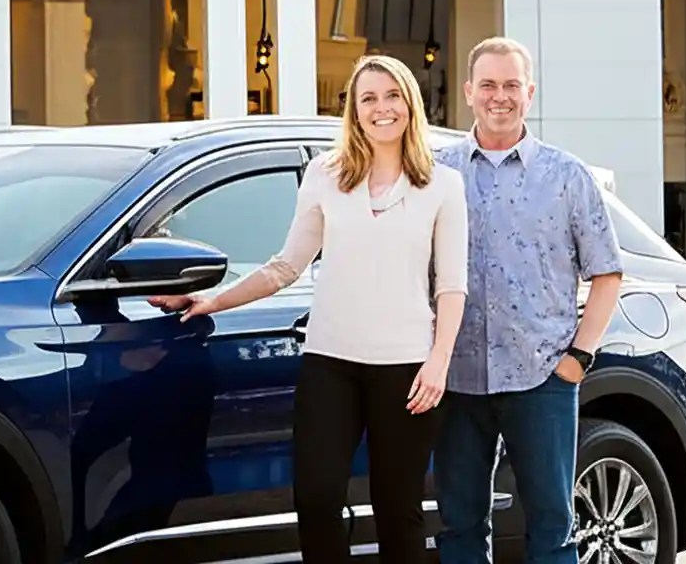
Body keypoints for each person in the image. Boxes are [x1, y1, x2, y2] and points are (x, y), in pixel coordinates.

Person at [149, 54, 469, 563]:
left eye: (391, 96)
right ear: (354, 110)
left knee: (397, 507)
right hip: (331, 363)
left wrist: (439, 361)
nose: (381, 108)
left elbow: (452, 285)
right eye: (368, 98)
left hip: (407, 368)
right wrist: (214, 300)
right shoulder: (326, 174)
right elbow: (285, 266)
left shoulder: (442, 185)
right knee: (316, 498)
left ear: (409, 103)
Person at [432, 36, 624, 564]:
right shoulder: (435, 173)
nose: (500, 96)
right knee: (459, 528)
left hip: (542, 379)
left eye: (511, 85)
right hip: (455, 381)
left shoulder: (567, 177)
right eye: (489, 85)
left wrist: (577, 360)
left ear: (530, 92)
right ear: (469, 91)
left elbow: (607, 273)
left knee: (551, 529)